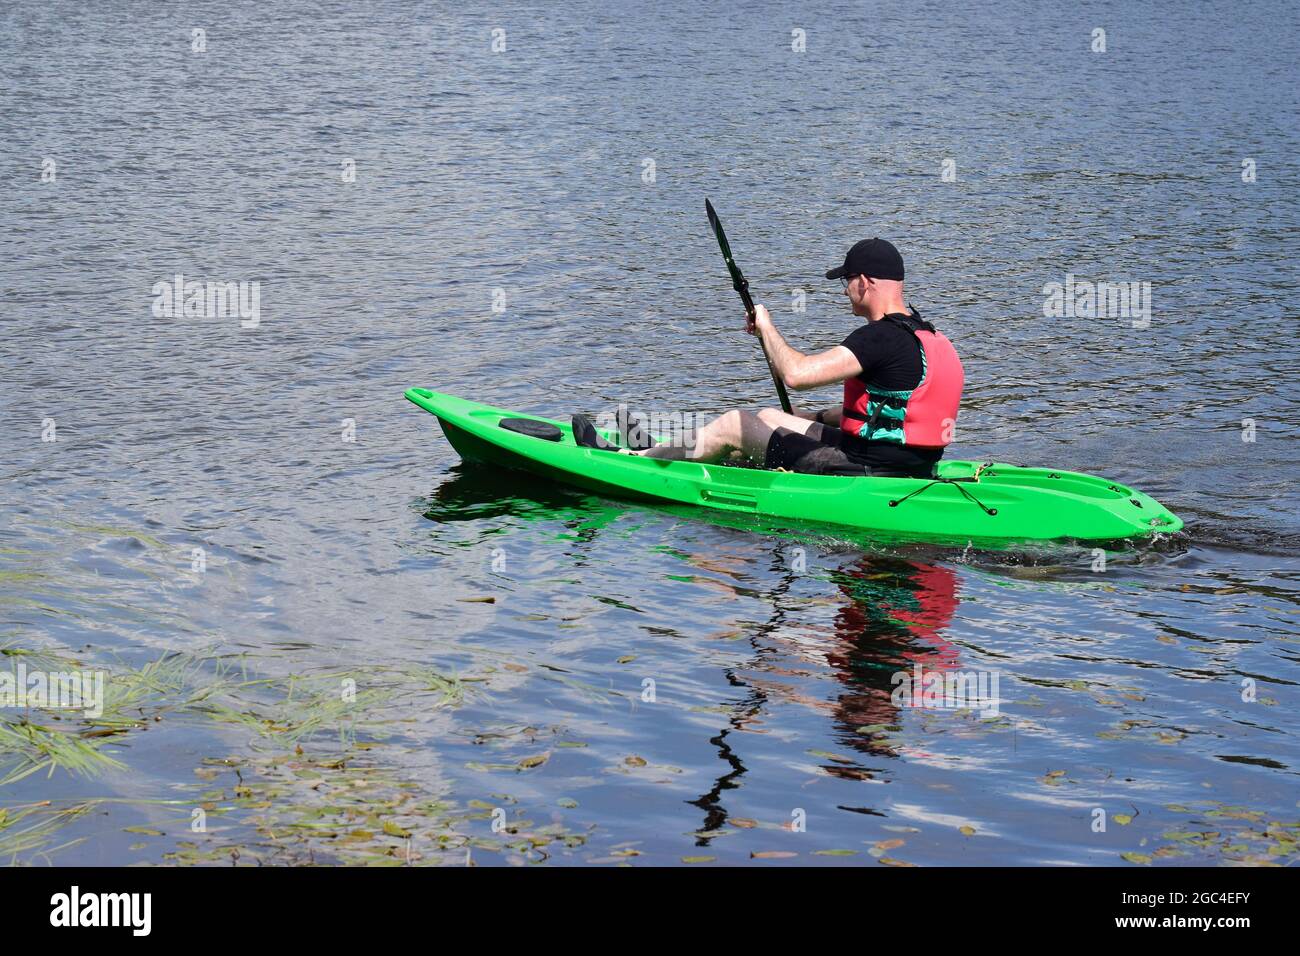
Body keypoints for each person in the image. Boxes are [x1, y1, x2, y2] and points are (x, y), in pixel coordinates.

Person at [574, 238, 963, 477]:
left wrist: (767, 327)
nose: (845, 291)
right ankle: (662, 450)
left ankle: (631, 460)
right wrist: (806, 420)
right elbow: (894, 409)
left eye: (847, 282)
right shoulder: (929, 335)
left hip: (862, 471)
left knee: (736, 424)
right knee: (770, 417)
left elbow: (795, 374)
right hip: (905, 465)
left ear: (864, 282)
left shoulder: (878, 337)